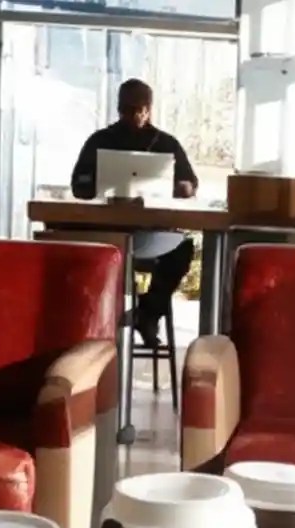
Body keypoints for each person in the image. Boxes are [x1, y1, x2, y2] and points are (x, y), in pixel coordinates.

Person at [71, 79, 198, 346]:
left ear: (150, 108)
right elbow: (78, 186)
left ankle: (148, 313)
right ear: (119, 108)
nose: (136, 115)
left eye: (141, 109)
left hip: (151, 235)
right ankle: (92, 324)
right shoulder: (99, 141)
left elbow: (191, 184)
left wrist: (182, 188)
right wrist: (97, 185)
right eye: (129, 109)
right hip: (106, 234)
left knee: (182, 249)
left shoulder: (166, 144)